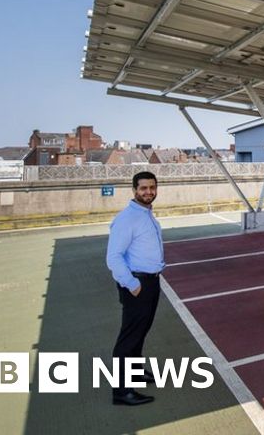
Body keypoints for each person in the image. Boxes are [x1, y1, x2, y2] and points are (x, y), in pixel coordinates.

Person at [106, 171, 164, 406]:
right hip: (137, 284)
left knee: (141, 331)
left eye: (152, 187)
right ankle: (121, 391)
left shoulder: (146, 215)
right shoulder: (127, 218)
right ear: (134, 191)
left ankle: (136, 372)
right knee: (129, 338)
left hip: (151, 282)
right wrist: (132, 285)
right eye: (143, 188)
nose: (148, 192)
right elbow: (113, 257)